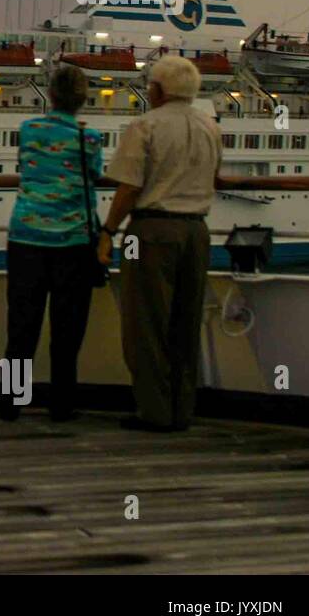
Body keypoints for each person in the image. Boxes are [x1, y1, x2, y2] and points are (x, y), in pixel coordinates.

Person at [99, 55, 221, 432]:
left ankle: (154, 411)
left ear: (158, 90)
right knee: (186, 323)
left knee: (145, 321)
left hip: (150, 232)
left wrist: (108, 231)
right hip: (197, 233)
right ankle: (183, 409)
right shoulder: (210, 126)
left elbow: (129, 187)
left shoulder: (145, 125)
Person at [0, 64, 103, 422]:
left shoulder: (28, 129)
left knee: (22, 324)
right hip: (72, 240)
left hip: (25, 235)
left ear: (51, 94)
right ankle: (62, 404)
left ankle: (11, 403)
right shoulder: (88, 138)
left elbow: (24, 166)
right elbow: (94, 175)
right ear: (82, 99)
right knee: (67, 327)